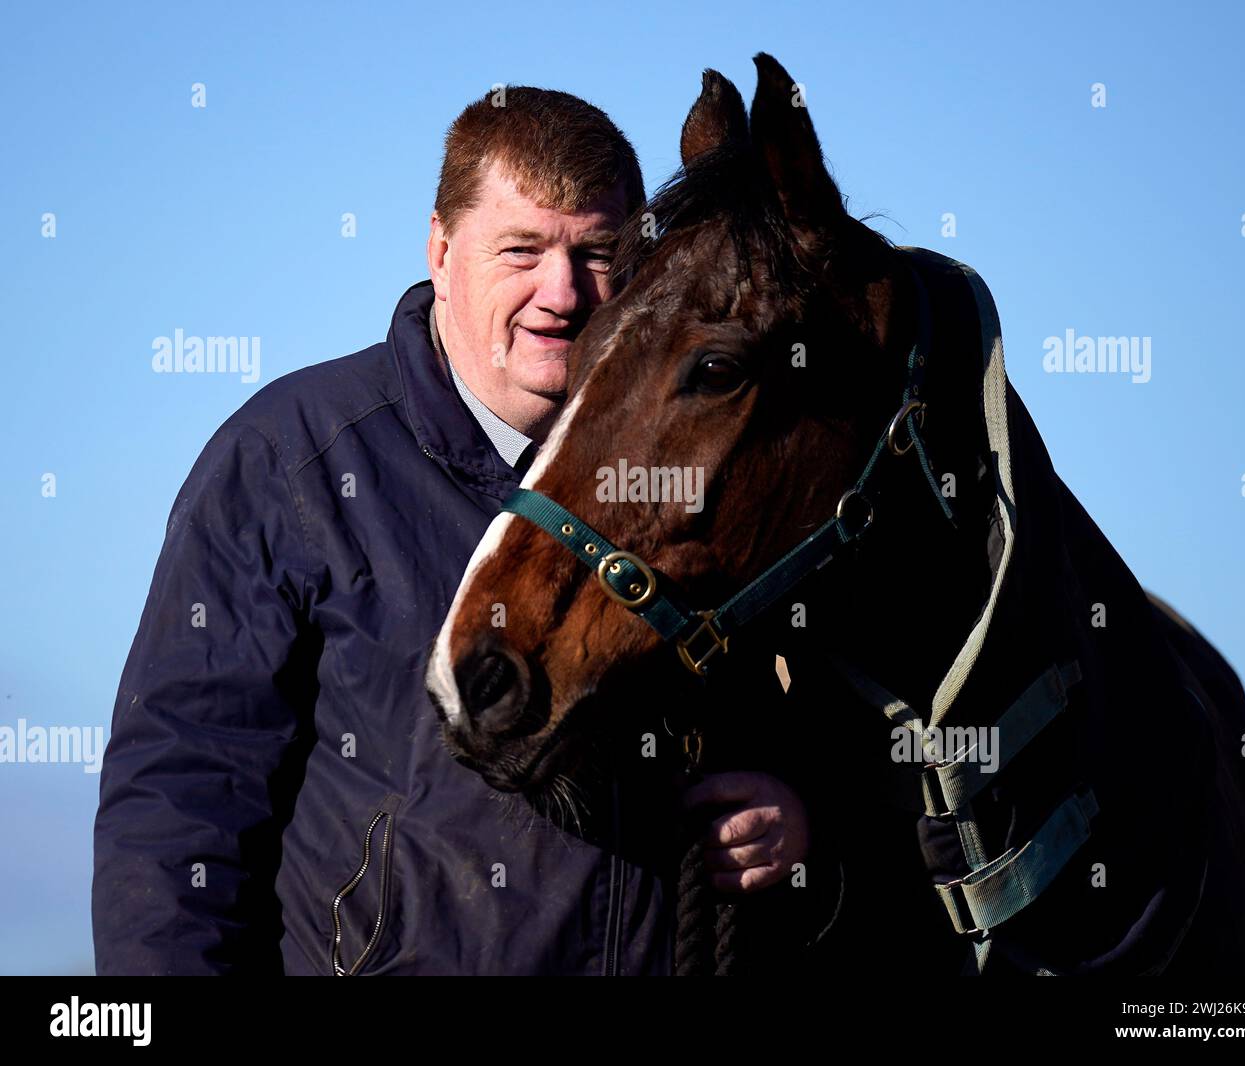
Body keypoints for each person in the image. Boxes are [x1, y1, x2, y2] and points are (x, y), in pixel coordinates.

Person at [92, 85, 837, 975]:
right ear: (442, 253)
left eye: (598, 253)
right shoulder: (291, 459)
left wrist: (799, 831)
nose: (561, 294)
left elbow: (828, 736)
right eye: (521, 250)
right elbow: (183, 792)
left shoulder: (714, 468)